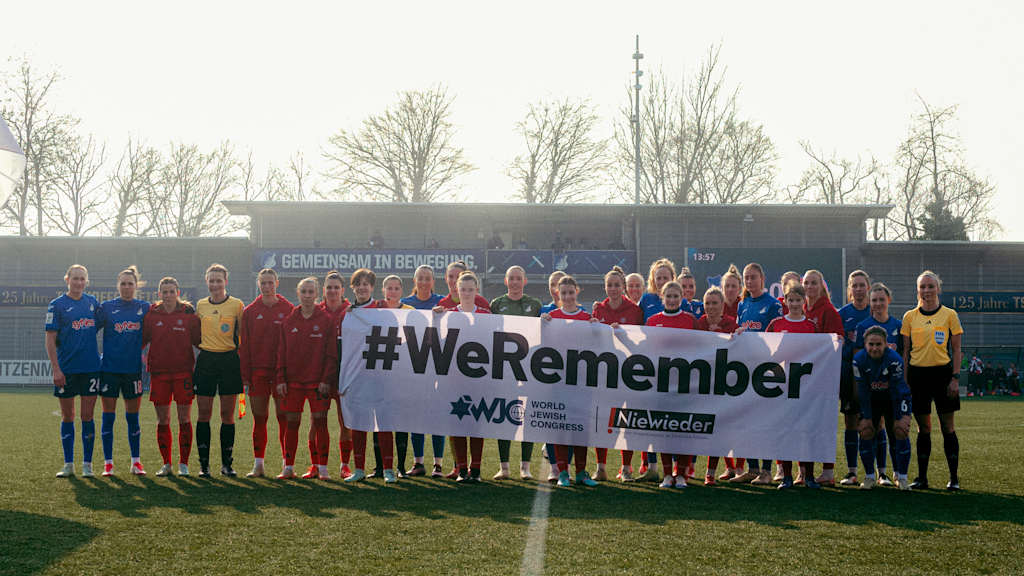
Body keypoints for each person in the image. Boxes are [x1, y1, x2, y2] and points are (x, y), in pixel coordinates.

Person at [901, 271, 963, 491]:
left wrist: (955, 378)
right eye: (922, 287)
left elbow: (956, 350)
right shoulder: (909, 317)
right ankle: (922, 478)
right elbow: (906, 352)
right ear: (917, 291)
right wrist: (905, 381)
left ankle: (953, 478)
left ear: (938, 288)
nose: (926, 291)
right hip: (918, 377)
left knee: (947, 426)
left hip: (943, 376)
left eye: (930, 286)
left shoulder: (949, 315)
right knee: (923, 428)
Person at [275, 277, 338, 480]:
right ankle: (288, 467)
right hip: (293, 382)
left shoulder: (326, 320)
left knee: (320, 422)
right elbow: (281, 352)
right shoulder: (289, 321)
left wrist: (326, 379)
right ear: (298, 293)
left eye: (311, 292)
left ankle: (323, 467)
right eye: (304, 292)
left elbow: (331, 355)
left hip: (318, 382)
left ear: (317, 294)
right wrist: (281, 378)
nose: (308, 296)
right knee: (292, 422)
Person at [541, 275, 598, 488]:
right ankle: (563, 472)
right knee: (561, 427)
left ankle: (582, 472)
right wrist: (542, 325)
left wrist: (596, 329)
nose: (567, 296)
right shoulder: (552, 317)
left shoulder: (586, 317)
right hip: (558, 382)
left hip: (582, 383)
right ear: (557, 293)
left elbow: (596, 346)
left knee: (581, 428)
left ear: (577, 291)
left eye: (570, 292)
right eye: (563, 293)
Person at [433, 271, 490, 483]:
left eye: (470, 289)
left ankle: (476, 469)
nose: (466, 293)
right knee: (457, 421)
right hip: (455, 378)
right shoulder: (448, 314)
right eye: (462, 289)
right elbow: (437, 339)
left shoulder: (486, 314)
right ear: (457, 290)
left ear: (476, 290)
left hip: (479, 379)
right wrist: (435, 317)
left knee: (476, 422)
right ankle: (462, 468)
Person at [46, 264, 101, 478]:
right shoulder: (57, 305)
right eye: (75, 278)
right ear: (67, 279)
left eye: (82, 279)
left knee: (87, 416)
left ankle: (87, 465)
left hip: (90, 369)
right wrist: (56, 370)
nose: (78, 282)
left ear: (86, 281)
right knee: (68, 416)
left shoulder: (92, 304)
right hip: (66, 370)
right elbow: (50, 339)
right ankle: (68, 464)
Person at [730, 262, 783, 485]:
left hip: (767, 370)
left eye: (753, 277)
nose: (750, 281)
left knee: (765, 421)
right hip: (746, 368)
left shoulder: (773, 305)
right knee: (748, 419)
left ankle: (767, 470)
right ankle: (752, 468)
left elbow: (778, 335)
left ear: (762, 278)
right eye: (747, 278)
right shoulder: (742, 305)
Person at [143, 277, 201, 476]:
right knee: (163, 420)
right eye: (164, 292)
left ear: (178, 292)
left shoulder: (188, 315)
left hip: (183, 373)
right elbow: (141, 341)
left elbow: (201, 341)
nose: (168, 295)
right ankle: (166, 463)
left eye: (171, 291)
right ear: (159, 294)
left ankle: (183, 464)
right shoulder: (151, 315)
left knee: (184, 418)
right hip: (159, 374)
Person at [239, 268, 294, 478]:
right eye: (263, 283)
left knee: (284, 418)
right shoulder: (250, 311)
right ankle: (258, 464)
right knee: (259, 418)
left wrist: (289, 373)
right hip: (258, 373)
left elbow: (292, 345)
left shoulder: (289, 309)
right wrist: (245, 375)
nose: (267, 286)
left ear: (277, 283)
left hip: (281, 375)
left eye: (270, 282)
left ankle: (286, 464)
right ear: (258, 284)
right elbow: (244, 347)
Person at [95, 266, 151, 476]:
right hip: (109, 370)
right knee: (108, 417)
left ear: (137, 286)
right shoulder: (107, 308)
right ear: (118, 286)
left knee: (132, 417)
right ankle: (108, 464)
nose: (127, 287)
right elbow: (90, 331)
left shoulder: (144, 308)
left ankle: (136, 462)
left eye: (130, 284)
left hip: (133, 371)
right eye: (123, 284)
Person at [590, 266, 644, 482]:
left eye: (616, 285)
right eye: (609, 285)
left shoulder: (634, 311)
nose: (613, 289)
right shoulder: (598, 310)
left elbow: (640, 341)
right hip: (604, 373)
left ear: (623, 287)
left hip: (628, 372)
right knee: (602, 419)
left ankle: (626, 467)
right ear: (605, 287)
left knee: (626, 419)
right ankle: (601, 467)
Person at [489, 265, 542, 480]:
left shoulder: (535, 304)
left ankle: (525, 467)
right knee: (504, 415)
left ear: (525, 281)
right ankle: (504, 467)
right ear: (505, 280)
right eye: (511, 278)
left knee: (526, 415)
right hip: (504, 368)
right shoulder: (496, 304)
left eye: (518, 278)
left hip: (528, 367)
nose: (515, 282)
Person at [344, 268, 397, 483]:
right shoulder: (348, 312)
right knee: (358, 423)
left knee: (384, 422)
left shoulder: (382, 308)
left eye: (366, 283)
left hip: (381, 376)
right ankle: (358, 469)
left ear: (372, 288)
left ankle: (388, 469)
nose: (362, 287)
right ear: (353, 287)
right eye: (359, 283)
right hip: (357, 376)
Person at [767, 283, 821, 490]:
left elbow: (820, 353)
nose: (795, 304)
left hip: (806, 387)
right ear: (786, 301)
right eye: (791, 300)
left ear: (804, 301)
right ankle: (787, 476)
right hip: (782, 387)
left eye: (799, 300)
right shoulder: (776, 324)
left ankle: (809, 476)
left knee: (806, 431)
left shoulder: (811, 326)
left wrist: (835, 342)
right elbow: (765, 349)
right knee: (785, 431)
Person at [193, 263, 245, 477]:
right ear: (207, 282)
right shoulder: (200, 305)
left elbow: (243, 335)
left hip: (229, 362)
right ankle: (204, 465)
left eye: (219, 280)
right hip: (206, 361)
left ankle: (227, 464)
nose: (215, 284)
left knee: (227, 414)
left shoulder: (237, 305)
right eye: (211, 280)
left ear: (226, 281)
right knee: (204, 413)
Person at [645, 281, 695, 489]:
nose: (672, 300)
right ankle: (667, 474)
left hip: (685, 385)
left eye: (676, 296)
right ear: (662, 297)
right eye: (669, 296)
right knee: (663, 428)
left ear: (682, 296)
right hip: (661, 384)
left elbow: (706, 346)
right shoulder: (652, 321)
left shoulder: (690, 320)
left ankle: (681, 474)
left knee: (683, 429)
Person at [852, 282, 903, 486]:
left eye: (882, 299)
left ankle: (897, 473)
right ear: (870, 303)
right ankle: (871, 474)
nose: (878, 303)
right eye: (874, 300)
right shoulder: (862, 326)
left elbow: (903, 355)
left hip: (892, 389)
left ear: (888, 300)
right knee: (869, 429)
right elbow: (858, 358)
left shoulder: (898, 326)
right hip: (871, 390)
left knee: (894, 430)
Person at [800, 269, 846, 486]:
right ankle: (803, 470)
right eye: (807, 283)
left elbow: (837, 342)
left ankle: (827, 470)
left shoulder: (828, 311)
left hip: (822, 377)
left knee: (823, 423)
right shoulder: (800, 308)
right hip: (803, 377)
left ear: (822, 286)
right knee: (803, 424)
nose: (810, 287)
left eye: (814, 283)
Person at [853, 326, 914, 490]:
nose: (874, 348)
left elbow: (897, 390)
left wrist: (901, 416)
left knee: (900, 430)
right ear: (865, 344)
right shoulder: (858, 360)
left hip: (895, 397)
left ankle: (901, 477)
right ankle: (869, 477)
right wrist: (865, 416)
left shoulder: (894, 359)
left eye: (878, 344)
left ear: (886, 344)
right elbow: (863, 390)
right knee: (865, 430)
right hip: (872, 399)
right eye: (871, 344)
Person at [400, 265, 446, 477]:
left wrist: (445, 313)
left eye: (428, 278)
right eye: (421, 278)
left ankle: (438, 463)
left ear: (433, 281)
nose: (424, 282)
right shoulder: (406, 304)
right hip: (413, 365)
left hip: (438, 363)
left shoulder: (442, 302)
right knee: (415, 413)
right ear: (415, 280)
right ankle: (418, 462)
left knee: (436, 414)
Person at [696, 286, 741, 485]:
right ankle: (716, 469)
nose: (711, 307)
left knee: (722, 427)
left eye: (715, 303)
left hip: (725, 383)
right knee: (707, 426)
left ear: (722, 305)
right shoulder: (699, 324)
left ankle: (717, 470)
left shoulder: (731, 324)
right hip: (703, 383)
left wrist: (728, 335)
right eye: (708, 303)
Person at [374, 275, 415, 477]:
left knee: (400, 422)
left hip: (402, 375)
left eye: (396, 288)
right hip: (378, 374)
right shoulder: (375, 311)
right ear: (383, 290)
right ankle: (379, 466)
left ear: (402, 291)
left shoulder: (410, 312)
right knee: (378, 421)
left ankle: (400, 467)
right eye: (389, 288)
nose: (392, 291)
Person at [836, 270, 872, 486]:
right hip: (849, 373)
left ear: (868, 287)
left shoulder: (875, 310)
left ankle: (879, 472)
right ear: (850, 289)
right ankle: (851, 472)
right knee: (850, 421)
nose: (858, 289)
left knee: (874, 422)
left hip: (873, 374)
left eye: (862, 285)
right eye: (854, 285)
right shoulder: (842, 314)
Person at [319, 270, 352, 478]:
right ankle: (317, 464)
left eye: (336, 287)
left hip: (344, 375)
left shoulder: (352, 312)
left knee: (345, 422)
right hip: (318, 375)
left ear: (343, 290)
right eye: (329, 287)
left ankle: (345, 464)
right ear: (324, 290)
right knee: (317, 421)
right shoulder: (315, 311)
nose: (332, 291)